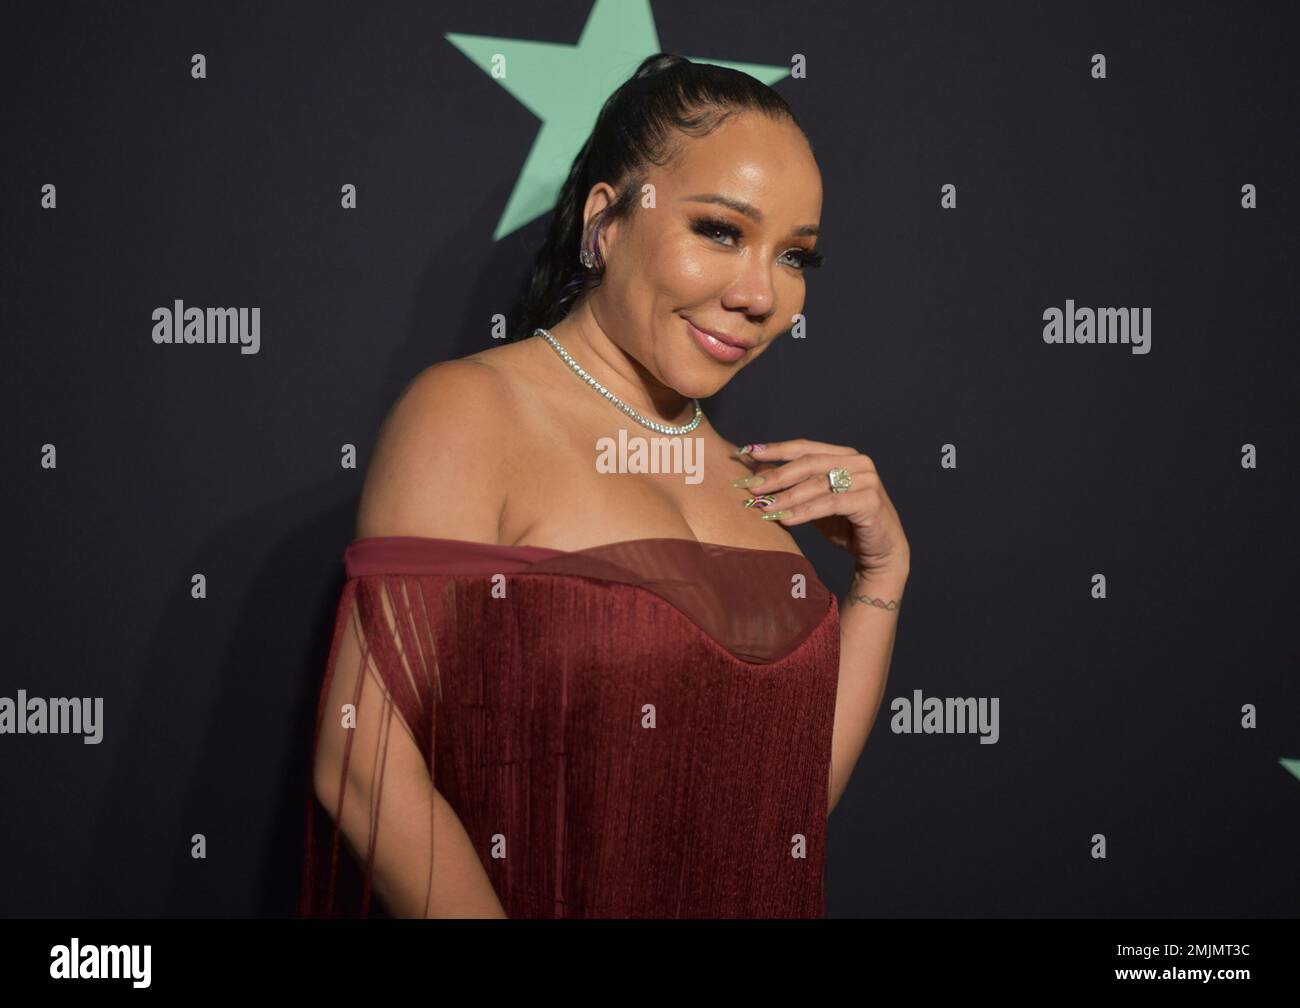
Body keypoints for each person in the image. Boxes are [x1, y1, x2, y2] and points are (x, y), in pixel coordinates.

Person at [299, 53, 910, 919]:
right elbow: (362, 763)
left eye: (795, 256)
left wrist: (882, 578)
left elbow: (785, 809)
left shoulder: (755, 482)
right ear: (605, 224)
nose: (760, 292)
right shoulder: (471, 411)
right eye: (721, 232)